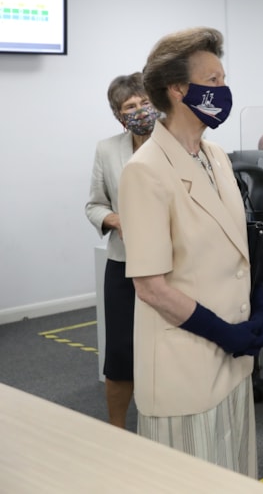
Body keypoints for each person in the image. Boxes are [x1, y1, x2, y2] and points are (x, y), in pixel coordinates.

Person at [118, 27, 263, 476]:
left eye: (223, 80)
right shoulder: (144, 171)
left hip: (232, 362)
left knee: (236, 475)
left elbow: (238, 244)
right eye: (213, 80)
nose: (222, 91)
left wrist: (256, 308)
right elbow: (150, 287)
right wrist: (225, 333)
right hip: (185, 365)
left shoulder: (215, 155)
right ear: (178, 88)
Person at [85, 73, 159, 429]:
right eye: (131, 106)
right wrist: (115, 219)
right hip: (124, 265)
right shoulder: (107, 149)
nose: (140, 110)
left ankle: (164, 425)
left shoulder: (175, 143)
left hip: (171, 265)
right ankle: (116, 429)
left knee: (165, 351)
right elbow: (94, 205)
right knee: (119, 353)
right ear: (119, 115)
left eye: (145, 102)